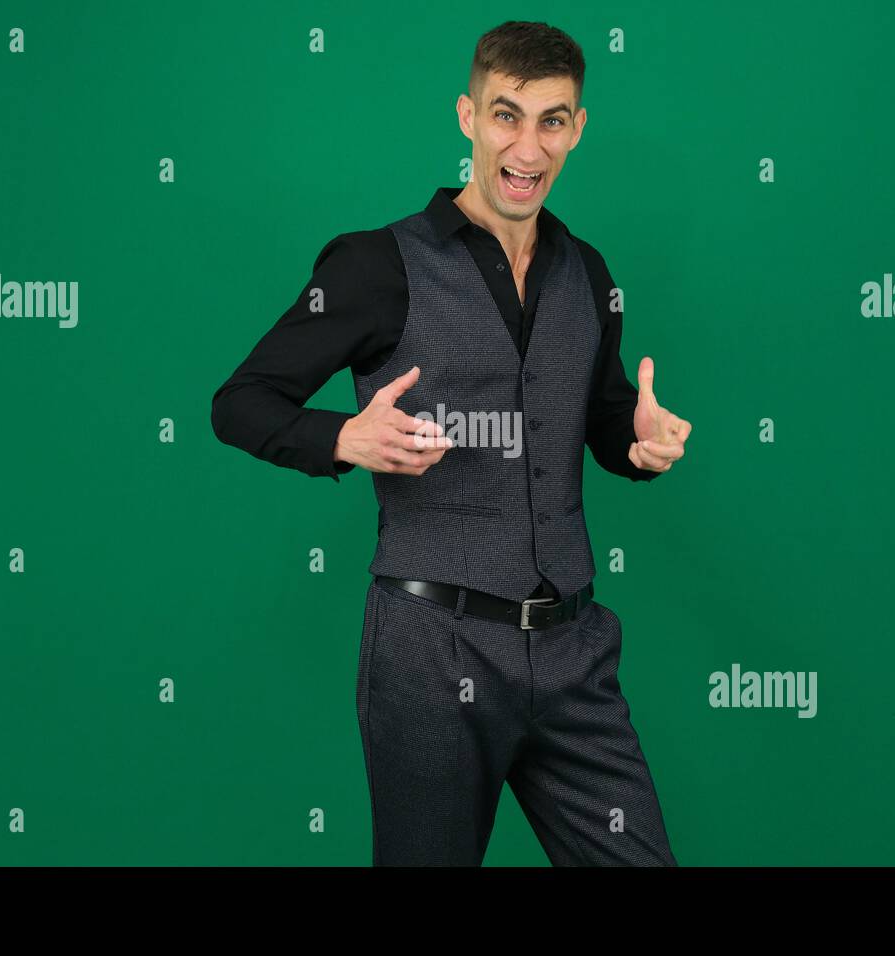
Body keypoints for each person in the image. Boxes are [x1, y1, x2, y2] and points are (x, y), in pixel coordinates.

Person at [211, 20, 690, 865]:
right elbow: (240, 402)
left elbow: (604, 423)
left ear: (578, 130)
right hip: (432, 652)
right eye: (506, 115)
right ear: (467, 116)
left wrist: (638, 444)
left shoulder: (589, 274)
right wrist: (345, 437)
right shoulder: (375, 266)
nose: (527, 144)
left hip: (574, 652)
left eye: (552, 119)